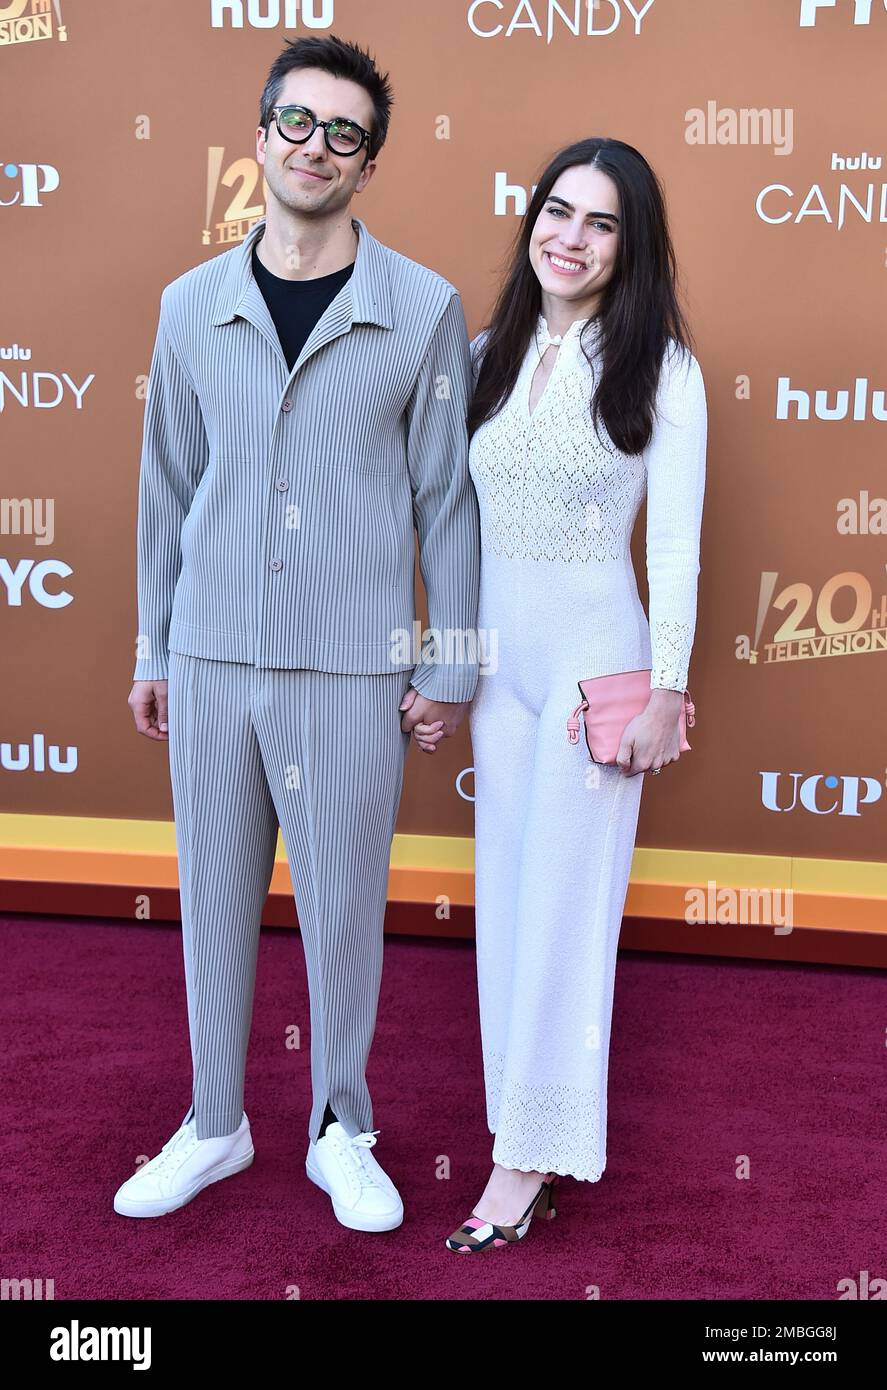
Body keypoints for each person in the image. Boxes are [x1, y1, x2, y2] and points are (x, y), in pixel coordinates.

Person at [116, 34, 480, 1233]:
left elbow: (445, 495)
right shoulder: (185, 304)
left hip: (348, 665)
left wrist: (451, 667)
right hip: (212, 657)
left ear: (366, 163)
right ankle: (215, 1123)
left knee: (340, 911)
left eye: (343, 133)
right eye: (296, 122)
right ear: (259, 133)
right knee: (212, 901)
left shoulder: (422, 308)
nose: (314, 147)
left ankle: (342, 1127)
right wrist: (151, 650)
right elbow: (166, 484)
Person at [409, 139, 707, 1252]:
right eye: (554, 212)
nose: (567, 237)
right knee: (506, 915)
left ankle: (524, 1162)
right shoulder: (486, 354)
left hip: (597, 678)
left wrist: (667, 690)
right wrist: (443, 669)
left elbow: (671, 548)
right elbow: (457, 534)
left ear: (629, 247)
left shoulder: (660, 369)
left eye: (598, 222)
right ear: (529, 220)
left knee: (565, 922)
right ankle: (514, 1127)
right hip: (499, 676)